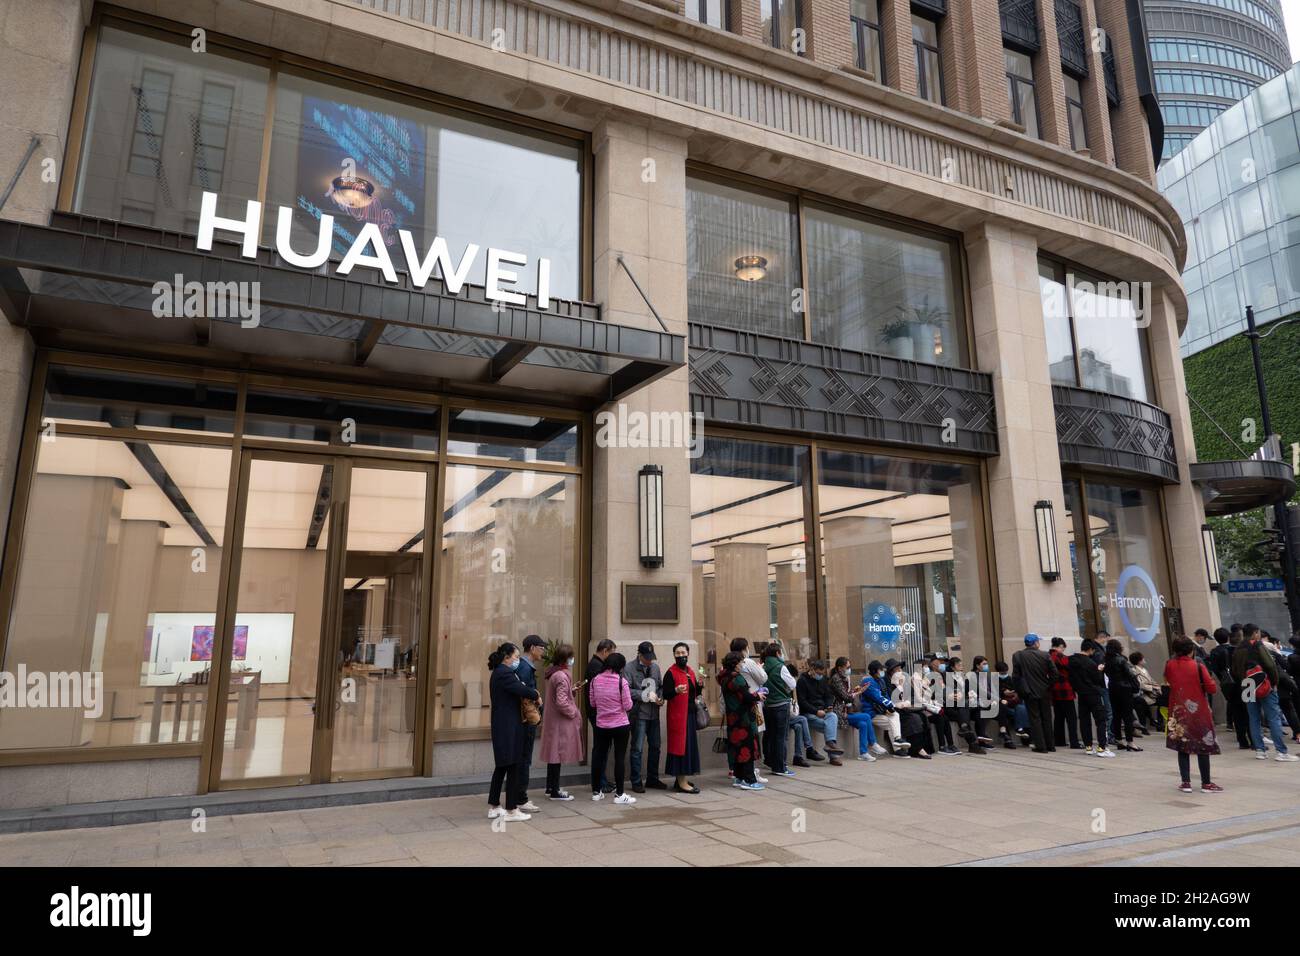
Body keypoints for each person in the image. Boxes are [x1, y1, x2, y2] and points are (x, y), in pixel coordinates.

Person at [487, 642, 542, 822]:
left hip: (504, 725)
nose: (518, 660)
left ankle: (495, 806)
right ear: (507, 657)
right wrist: (535, 694)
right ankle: (511, 809)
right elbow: (522, 690)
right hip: (508, 727)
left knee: (502, 766)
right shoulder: (505, 673)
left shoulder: (499, 672)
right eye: (516, 657)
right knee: (512, 766)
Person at [1165, 635, 1223, 793]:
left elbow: (1169, 681)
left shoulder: (1169, 664)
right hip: (1199, 711)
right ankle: (1206, 783)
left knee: (1182, 746)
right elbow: (1212, 688)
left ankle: (1186, 783)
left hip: (1178, 711)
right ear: (1191, 650)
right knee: (1202, 745)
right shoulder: (1197, 665)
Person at [1232, 622, 1298, 761]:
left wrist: (1244, 680)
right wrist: (1274, 682)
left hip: (1247, 684)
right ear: (1256, 633)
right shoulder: (1258, 645)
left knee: (1254, 718)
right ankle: (1281, 752)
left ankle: (1260, 750)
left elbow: (1235, 670)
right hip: (1264, 683)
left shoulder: (1238, 648)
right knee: (1273, 716)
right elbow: (1270, 664)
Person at [588, 652, 637, 802]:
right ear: (620, 666)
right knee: (619, 758)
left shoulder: (595, 680)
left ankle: (596, 792)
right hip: (620, 725)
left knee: (598, 756)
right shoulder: (621, 682)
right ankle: (620, 794)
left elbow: (593, 703)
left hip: (602, 725)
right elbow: (628, 705)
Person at [540, 643, 582, 801]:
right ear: (566, 659)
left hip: (553, 720)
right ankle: (554, 791)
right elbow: (561, 702)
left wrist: (571, 691)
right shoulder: (562, 676)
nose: (573, 660)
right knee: (557, 754)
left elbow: (560, 697)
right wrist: (574, 713)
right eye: (571, 657)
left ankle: (551, 787)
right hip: (559, 722)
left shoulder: (554, 673)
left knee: (553, 754)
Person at [719, 652, 766, 790]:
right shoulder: (737, 678)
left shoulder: (724, 677)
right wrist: (758, 696)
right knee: (747, 749)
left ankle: (739, 778)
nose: (742, 665)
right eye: (740, 662)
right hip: (743, 718)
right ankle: (749, 780)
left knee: (737, 748)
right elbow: (745, 697)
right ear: (734, 664)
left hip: (733, 718)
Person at [624, 641, 666, 793]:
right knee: (637, 748)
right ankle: (636, 781)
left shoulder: (655, 667)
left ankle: (652, 778)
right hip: (639, 714)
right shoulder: (629, 668)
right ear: (639, 655)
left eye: (651, 657)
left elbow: (660, 686)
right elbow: (626, 690)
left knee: (655, 747)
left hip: (654, 713)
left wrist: (661, 698)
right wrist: (644, 695)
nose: (650, 661)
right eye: (647, 657)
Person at [661, 642, 702, 793]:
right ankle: (681, 781)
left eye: (683, 653)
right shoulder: (670, 673)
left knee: (688, 747)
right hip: (678, 717)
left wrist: (700, 686)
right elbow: (665, 694)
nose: (680, 656)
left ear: (688, 654)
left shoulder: (690, 671)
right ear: (674, 655)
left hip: (689, 715)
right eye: (677, 653)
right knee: (680, 748)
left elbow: (694, 692)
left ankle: (681, 780)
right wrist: (676, 690)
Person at [728, 638, 769, 785]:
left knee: (740, 743)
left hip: (735, 711)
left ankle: (738, 773)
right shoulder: (747, 663)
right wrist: (760, 668)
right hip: (749, 708)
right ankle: (749, 775)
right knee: (751, 742)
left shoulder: (726, 670)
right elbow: (763, 678)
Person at [514, 634, 546, 812]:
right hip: (526, 720)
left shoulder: (523, 666)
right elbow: (525, 696)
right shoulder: (525, 668)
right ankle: (521, 798)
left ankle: (518, 796)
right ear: (532, 648)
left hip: (523, 720)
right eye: (541, 648)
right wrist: (536, 699)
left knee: (522, 758)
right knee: (524, 759)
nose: (543, 652)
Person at [829, 657, 883, 760]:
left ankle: (863, 753)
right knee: (866, 716)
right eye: (847, 667)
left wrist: (856, 690)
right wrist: (860, 692)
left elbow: (847, 695)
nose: (849, 669)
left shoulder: (845, 678)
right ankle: (872, 743)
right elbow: (846, 697)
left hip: (847, 710)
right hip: (839, 713)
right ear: (840, 668)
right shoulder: (836, 678)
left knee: (863, 724)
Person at [1012, 634, 1057, 753]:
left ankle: (1040, 746)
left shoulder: (1018, 655)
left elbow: (1016, 677)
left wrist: (1020, 691)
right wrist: (1048, 685)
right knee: (1046, 718)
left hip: (1029, 692)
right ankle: (1050, 745)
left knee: (1035, 719)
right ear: (1036, 643)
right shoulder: (1045, 655)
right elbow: (1054, 674)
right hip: (1044, 691)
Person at [1068, 640, 1113, 757]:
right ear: (1090, 649)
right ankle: (1102, 748)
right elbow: (1097, 680)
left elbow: (1071, 679)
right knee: (1101, 720)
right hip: (1093, 693)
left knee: (1084, 720)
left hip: (1081, 694)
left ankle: (1088, 746)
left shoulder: (1072, 661)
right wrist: (1099, 670)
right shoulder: (1090, 663)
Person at [761, 642, 799, 776]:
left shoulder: (763, 666)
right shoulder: (780, 667)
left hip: (768, 706)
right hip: (781, 705)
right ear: (777, 653)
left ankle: (771, 762)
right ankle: (780, 767)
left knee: (770, 736)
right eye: (781, 652)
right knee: (781, 737)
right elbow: (792, 683)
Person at [796, 659, 844, 765]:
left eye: (822, 674)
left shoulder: (823, 680)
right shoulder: (802, 681)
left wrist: (829, 706)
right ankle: (834, 756)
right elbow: (802, 702)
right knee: (829, 726)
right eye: (818, 673)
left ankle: (830, 744)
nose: (820, 676)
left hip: (823, 711)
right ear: (812, 669)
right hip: (809, 714)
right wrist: (816, 711)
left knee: (833, 717)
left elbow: (828, 696)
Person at [584, 639, 616, 792]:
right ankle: (599, 782)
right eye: (612, 653)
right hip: (598, 713)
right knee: (600, 749)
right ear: (605, 651)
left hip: (598, 713)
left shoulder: (596, 664)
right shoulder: (596, 666)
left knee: (602, 747)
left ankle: (602, 780)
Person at [1211, 627, 1251, 749]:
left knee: (1237, 713)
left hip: (1228, 686)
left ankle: (1242, 741)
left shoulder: (1214, 652)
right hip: (1244, 684)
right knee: (1250, 713)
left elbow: (1215, 669)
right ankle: (1254, 740)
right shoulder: (1239, 650)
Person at [861, 661, 910, 754]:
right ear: (874, 671)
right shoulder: (867, 681)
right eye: (880, 670)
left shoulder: (881, 681)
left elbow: (886, 696)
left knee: (895, 715)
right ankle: (898, 748)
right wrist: (892, 705)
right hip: (871, 713)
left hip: (881, 711)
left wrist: (890, 708)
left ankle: (897, 740)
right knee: (892, 722)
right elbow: (878, 697)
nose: (882, 671)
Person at [1104, 639, 1143, 752]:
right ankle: (1130, 742)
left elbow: (1106, 673)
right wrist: (1136, 687)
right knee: (1127, 715)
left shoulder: (1107, 660)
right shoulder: (1121, 660)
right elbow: (1130, 675)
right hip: (1125, 689)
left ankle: (1119, 740)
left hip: (1112, 688)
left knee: (1116, 715)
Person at [890, 659, 933, 758]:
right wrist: (901, 703)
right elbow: (890, 699)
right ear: (892, 672)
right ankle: (917, 749)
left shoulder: (905, 682)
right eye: (897, 670)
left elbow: (913, 696)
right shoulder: (890, 684)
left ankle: (924, 747)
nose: (900, 671)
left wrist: (908, 702)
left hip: (909, 708)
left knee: (922, 716)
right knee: (914, 719)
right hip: (898, 710)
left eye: (900, 669)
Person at [1049, 638, 1080, 749]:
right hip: (1065, 689)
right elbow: (1068, 667)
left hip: (1054, 690)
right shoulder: (1059, 657)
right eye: (1063, 648)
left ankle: (1059, 740)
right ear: (1060, 646)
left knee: (1059, 717)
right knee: (1071, 717)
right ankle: (1074, 742)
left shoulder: (1047, 656)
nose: (1063, 650)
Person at [1129, 651, 1163, 734]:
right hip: (1144, 694)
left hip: (1151, 693)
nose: (1144, 660)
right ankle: (1154, 722)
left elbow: (1151, 680)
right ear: (1139, 660)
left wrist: (1157, 687)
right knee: (1159, 701)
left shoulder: (1144, 670)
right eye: (1143, 658)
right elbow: (1140, 684)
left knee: (1163, 701)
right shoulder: (1134, 670)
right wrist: (1153, 688)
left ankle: (1159, 723)